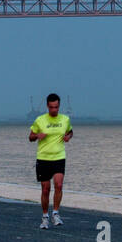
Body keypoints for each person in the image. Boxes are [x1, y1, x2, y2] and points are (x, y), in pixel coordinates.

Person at [29, 92, 73, 229]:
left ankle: (55, 213)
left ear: (59, 106)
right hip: (43, 158)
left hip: (59, 157)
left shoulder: (65, 119)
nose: (54, 110)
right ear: (47, 106)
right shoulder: (39, 120)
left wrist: (68, 137)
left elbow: (70, 131)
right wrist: (37, 135)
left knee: (58, 185)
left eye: (56, 107)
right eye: (52, 107)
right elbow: (30, 137)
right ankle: (44, 217)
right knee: (45, 189)